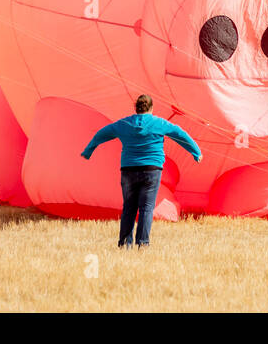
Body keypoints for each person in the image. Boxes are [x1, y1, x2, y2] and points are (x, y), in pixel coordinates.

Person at [80, 94, 201, 248]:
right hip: (151, 171)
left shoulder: (124, 123)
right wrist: (196, 152)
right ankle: (142, 244)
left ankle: (125, 243)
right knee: (146, 208)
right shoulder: (159, 123)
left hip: (128, 170)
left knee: (129, 207)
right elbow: (180, 135)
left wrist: (89, 150)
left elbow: (102, 134)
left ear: (136, 108)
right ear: (151, 108)